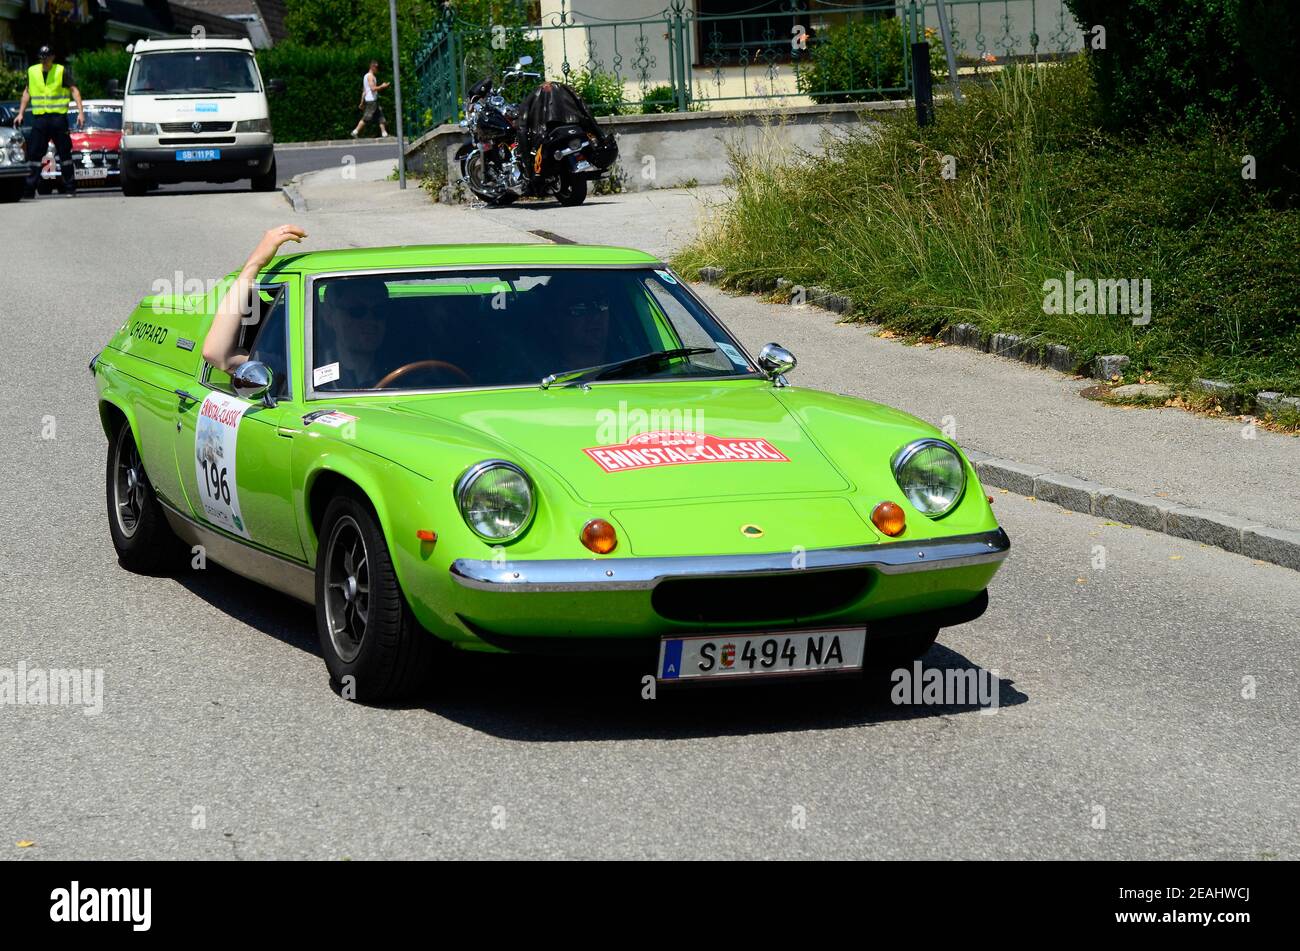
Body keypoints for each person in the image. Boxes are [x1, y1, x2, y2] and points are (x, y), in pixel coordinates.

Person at [205, 225, 308, 372]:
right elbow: (217, 355)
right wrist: (254, 264)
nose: (353, 321)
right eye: (349, 311)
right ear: (327, 316)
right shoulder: (298, 359)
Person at [15, 46, 83, 198]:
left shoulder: (60, 71)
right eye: (42, 57)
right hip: (40, 119)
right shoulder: (32, 71)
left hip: (58, 119)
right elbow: (27, 92)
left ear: (52, 57)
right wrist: (20, 113)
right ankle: (29, 190)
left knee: (65, 154)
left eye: (46, 57)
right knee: (33, 155)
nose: (44, 60)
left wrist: (80, 112)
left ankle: (70, 188)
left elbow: (74, 90)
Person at [350, 60, 390, 139]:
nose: (377, 69)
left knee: (380, 115)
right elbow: (373, 88)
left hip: (371, 100)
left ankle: (384, 133)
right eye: (377, 67)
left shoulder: (366, 76)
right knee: (367, 117)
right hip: (371, 100)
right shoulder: (370, 76)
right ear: (372, 67)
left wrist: (361, 102)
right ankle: (355, 131)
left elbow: (364, 91)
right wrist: (383, 86)